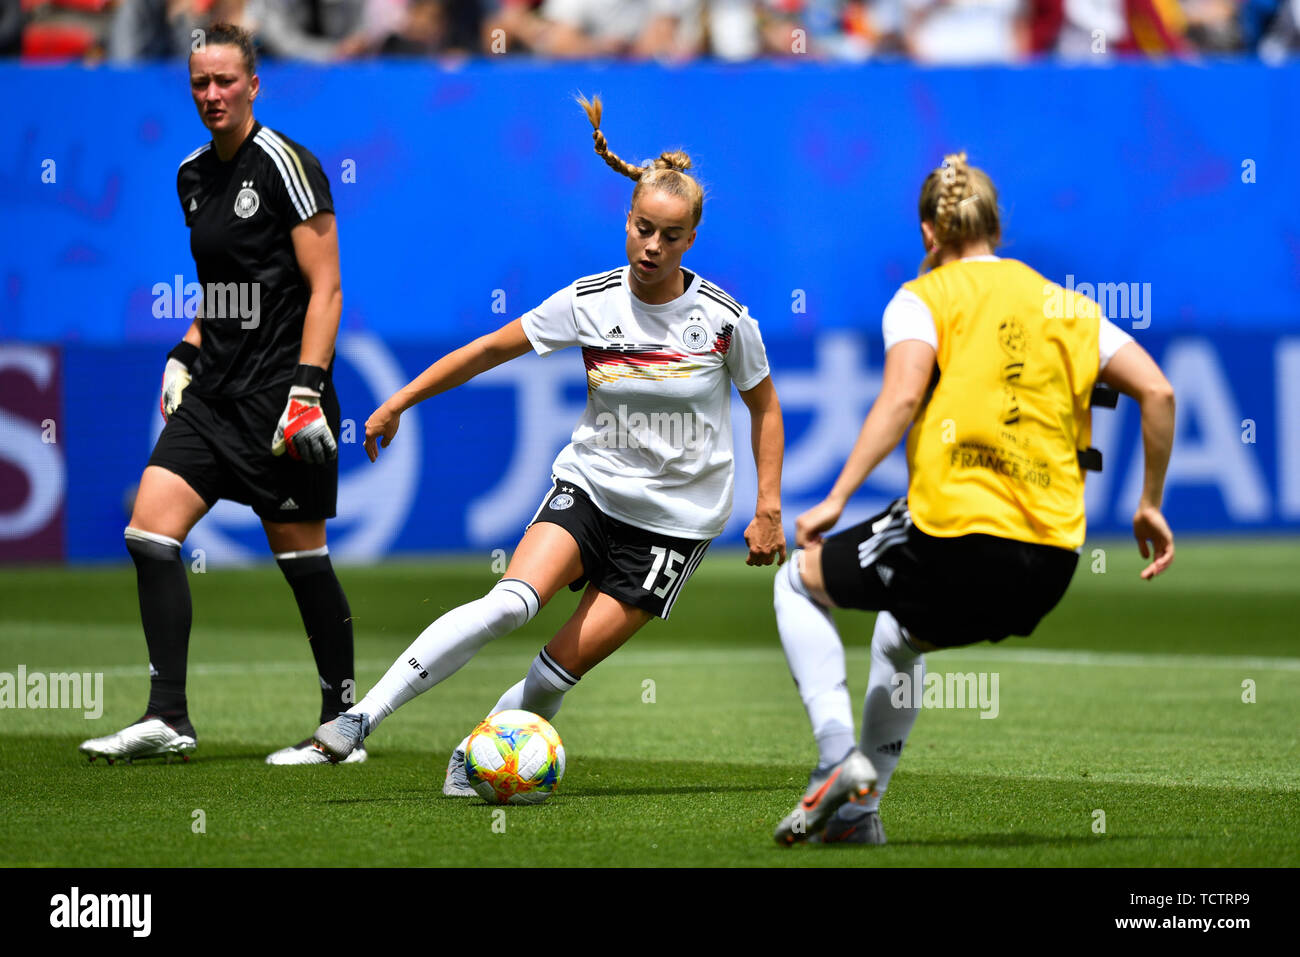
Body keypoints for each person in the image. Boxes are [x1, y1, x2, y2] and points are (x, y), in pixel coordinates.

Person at [312, 95, 787, 773]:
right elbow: (486, 351)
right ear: (627, 220)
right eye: (642, 227)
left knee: (554, 672)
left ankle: (475, 756)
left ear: (691, 240)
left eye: (670, 235)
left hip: (675, 524)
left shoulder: (724, 321)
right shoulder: (589, 301)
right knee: (509, 602)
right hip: (592, 488)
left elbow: (765, 407)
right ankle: (362, 717)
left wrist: (768, 506)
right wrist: (400, 401)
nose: (652, 246)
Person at [771, 152, 1176, 845]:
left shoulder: (922, 297)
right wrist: (1149, 503)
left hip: (954, 532)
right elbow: (1159, 391)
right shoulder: (1066, 305)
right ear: (995, 224)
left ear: (930, 232)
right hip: (1048, 564)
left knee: (796, 582)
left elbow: (901, 395)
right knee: (898, 634)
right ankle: (859, 815)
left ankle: (838, 753)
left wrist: (837, 495)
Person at [79, 22, 361, 766]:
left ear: (253, 85)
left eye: (225, 81)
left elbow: (326, 289)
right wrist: (184, 350)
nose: (212, 94)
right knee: (149, 531)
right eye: (200, 82)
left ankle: (343, 724)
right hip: (213, 395)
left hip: (281, 397)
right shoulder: (192, 175)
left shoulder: (288, 165)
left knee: (302, 558)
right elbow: (226, 293)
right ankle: (167, 714)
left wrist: (308, 388)